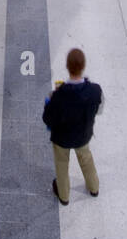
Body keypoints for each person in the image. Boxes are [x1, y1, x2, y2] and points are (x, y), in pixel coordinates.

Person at [43, 47, 103, 205]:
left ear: (67, 67)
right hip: (83, 135)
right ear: (83, 67)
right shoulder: (95, 91)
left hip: (62, 138)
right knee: (86, 159)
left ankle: (64, 196)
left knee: (62, 164)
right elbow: (99, 110)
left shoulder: (58, 95)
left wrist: (51, 102)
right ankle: (94, 187)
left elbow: (47, 118)